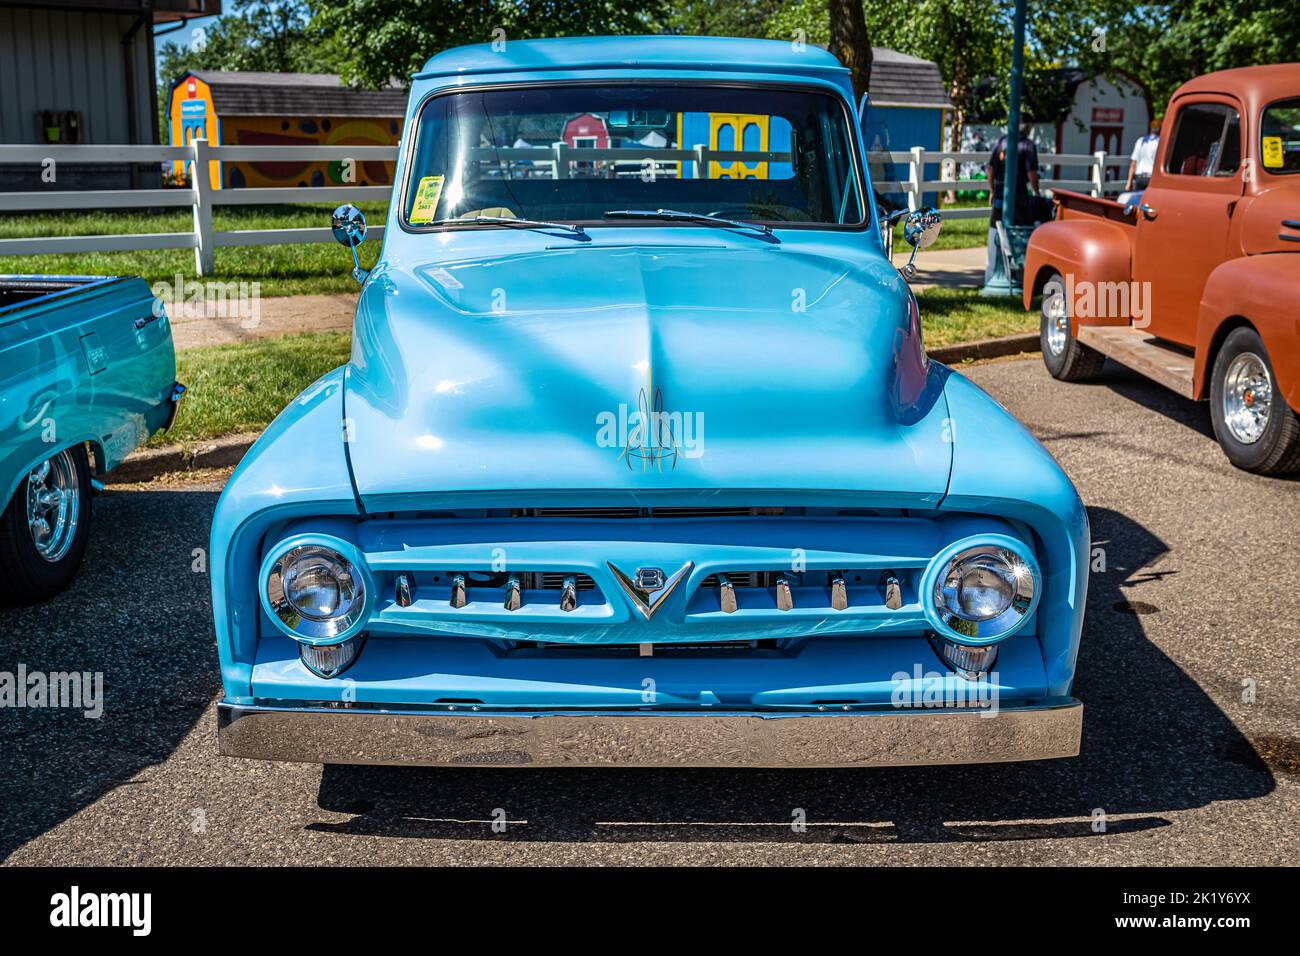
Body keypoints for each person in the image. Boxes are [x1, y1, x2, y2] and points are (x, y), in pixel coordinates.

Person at [985, 122, 1042, 283]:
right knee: (1016, 233)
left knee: (994, 231)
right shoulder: (1027, 145)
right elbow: (1031, 172)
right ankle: (1014, 276)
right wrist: (1036, 192)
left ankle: (990, 275)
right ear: (1028, 127)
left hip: (999, 194)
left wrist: (991, 190)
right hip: (1019, 196)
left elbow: (990, 170)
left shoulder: (1002, 142)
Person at [1126, 117, 1161, 192]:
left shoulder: (1141, 141)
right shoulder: (1160, 142)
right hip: (1152, 177)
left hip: (1140, 177)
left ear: (1150, 128)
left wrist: (1129, 182)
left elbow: (1133, 163)